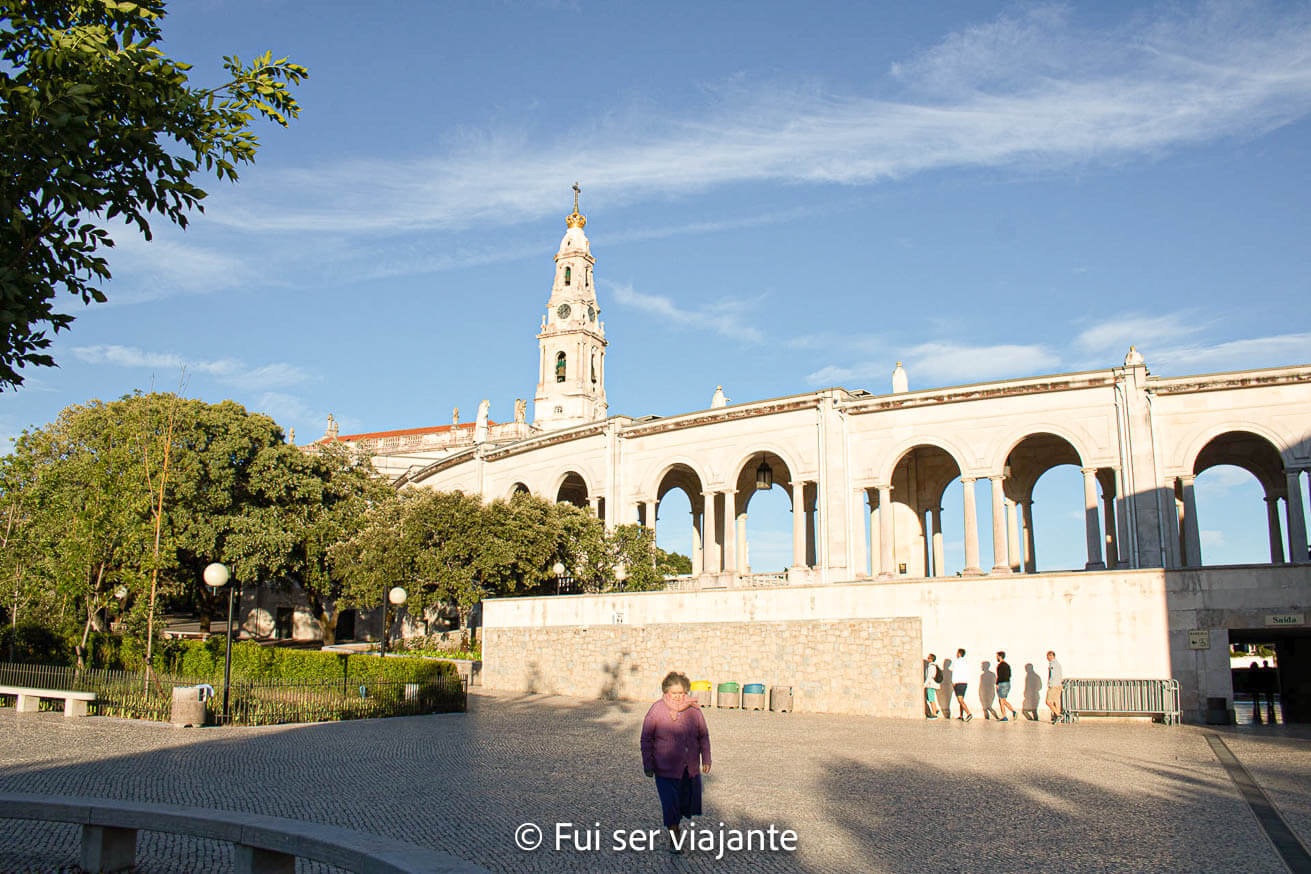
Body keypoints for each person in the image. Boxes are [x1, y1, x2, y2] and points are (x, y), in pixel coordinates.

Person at [641, 671, 711, 853]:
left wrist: (707, 757)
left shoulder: (694, 710)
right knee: (670, 804)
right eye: (674, 693)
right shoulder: (656, 710)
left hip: (688, 769)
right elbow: (646, 738)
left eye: (681, 693)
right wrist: (647, 764)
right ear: (666, 692)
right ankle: (674, 834)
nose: (679, 697)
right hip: (665, 769)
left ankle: (676, 825)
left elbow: (703, 735)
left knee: (682, 804)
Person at [952, 648, 974, 722]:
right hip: (964, 683)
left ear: (959, 654)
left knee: (960, 700)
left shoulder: (957, 661)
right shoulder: (966, 662)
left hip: (958, 682)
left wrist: (953, 681)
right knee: (961, 699)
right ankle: (961, 715)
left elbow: (955, 672)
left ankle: (968, 713)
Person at [995, 651, 1016, 722]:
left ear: (1000, 656)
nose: (996, 657)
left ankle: (1005, 716)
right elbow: (1009, 675)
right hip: (1007, 683)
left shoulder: (1000, 665)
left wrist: (997, 684)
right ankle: (1012, 712)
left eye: (997, 656)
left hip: (1002, 684)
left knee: (1001, 700)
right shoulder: (1007, 665)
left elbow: (1000, 676)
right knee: (1003, 700)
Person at [1046, 651, 1064, 723]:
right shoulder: (1058, 664)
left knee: (1048, 701)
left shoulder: (1052, 664)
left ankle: (1058, 715)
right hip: (1059, 684)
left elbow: (1052, 675)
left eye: (1048, 656)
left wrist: (1050, 683)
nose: (1047, 658)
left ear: (1051, 656)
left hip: (1053, 685)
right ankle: (1057, 717)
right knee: (1056, 701)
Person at [924, 654, 942, 718]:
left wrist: (924, 685)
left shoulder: (931, 667)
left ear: (931, 659)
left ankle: (934, 714)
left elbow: (929, 677)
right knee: (930, 698)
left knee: (931, 699)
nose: (927, 659)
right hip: (932, 684)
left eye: (928, 658)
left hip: (930, 685)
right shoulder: (933, 666)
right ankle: (936, 709)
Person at [1261, 659, 1278, 724]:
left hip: (1266, 684)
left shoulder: (1263, 670)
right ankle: (1271, 703)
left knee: (1268, 694)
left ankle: (1269, 702)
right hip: (1270, 684)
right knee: (1270, 694)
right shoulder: (1270, 670)